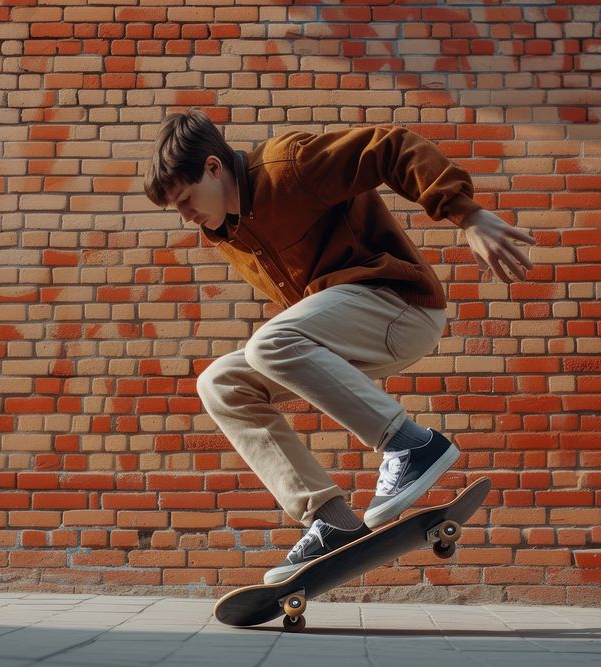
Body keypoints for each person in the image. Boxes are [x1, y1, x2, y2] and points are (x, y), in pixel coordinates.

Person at [142, 109, 535, 584]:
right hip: (353, 331)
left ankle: (411, 446)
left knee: (270, 342)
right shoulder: (230, 231)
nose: (186, 216)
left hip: (401, 306)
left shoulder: (290, 167)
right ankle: (330, 519)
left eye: (186, 200)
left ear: (213, 167)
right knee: (221, 383)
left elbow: (391, 146)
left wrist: (465, 213)